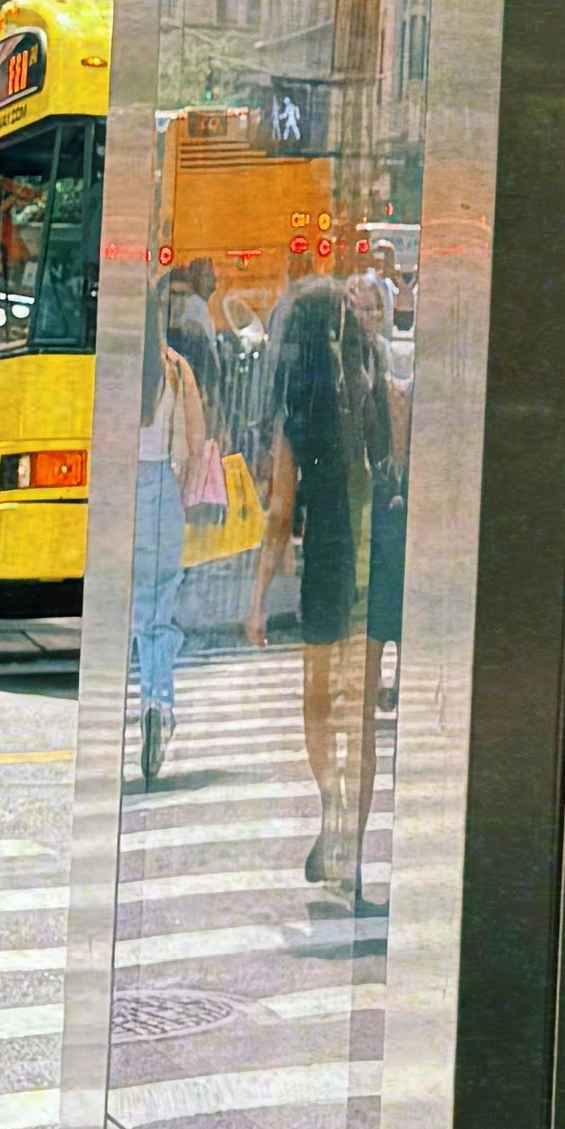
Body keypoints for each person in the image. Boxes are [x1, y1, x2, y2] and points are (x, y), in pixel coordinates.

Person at [250, 277, 391, 916]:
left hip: (328, 566)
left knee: (318, 705)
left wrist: (256, 598)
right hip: (374, 564)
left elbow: (280, 512)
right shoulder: (377, 391)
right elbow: (396, 471)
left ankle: (331, 803)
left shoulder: (296, 411)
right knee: (360, 717)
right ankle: (351, 859)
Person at [125, 271, 226, 788]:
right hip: (162, 489)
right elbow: (197, 439)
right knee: (160, 604)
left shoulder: (118, 371)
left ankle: (146, 698)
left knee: (136, 605)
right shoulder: (174, 368)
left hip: (124, 494)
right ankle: (157, 701)